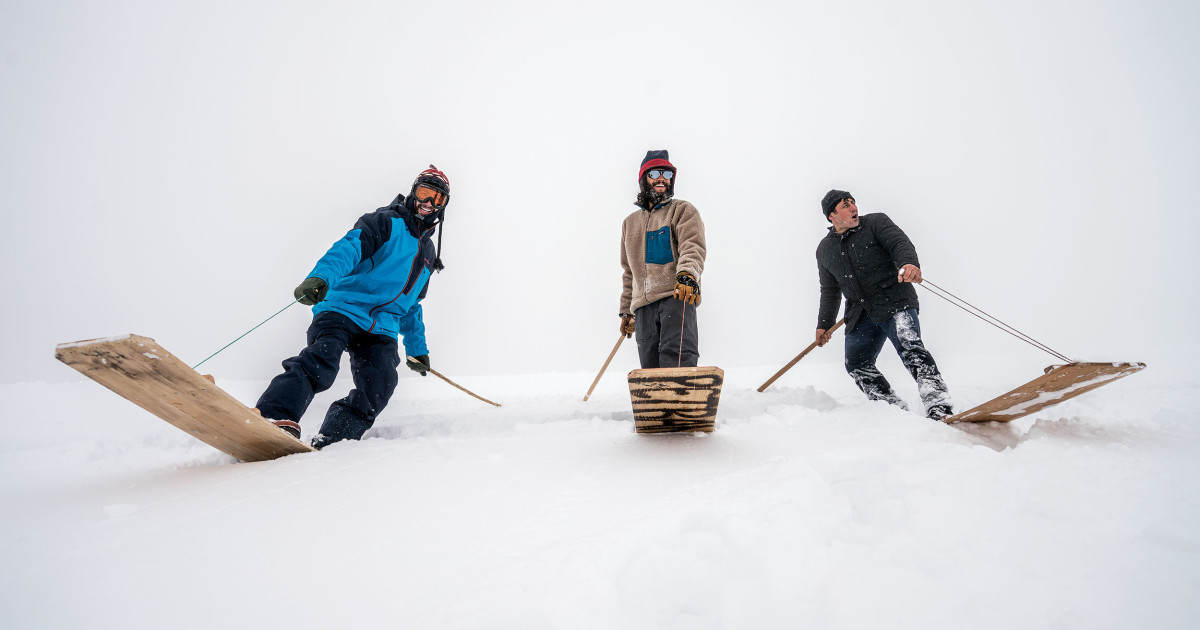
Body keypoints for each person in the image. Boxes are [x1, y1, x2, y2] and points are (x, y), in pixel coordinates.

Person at [255, 165, 451, 448]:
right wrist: (320, 277)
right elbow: (348, 249)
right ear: (413, 193)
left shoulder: (428, 255)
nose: (429, 203)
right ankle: (274, 417)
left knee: (380, 383)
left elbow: (411, 306)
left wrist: (417, 350)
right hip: (343, 309)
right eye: (424, 193)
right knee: (321, 360)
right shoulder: (385, 222)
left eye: (437, 198)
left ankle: (334, 440)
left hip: (381, 328)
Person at [814, 189, 953, 420]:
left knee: (911, 348)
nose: (853, 207)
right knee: (857, 365)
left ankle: (939, 405)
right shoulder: (825, 250)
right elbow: (829, 291)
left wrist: (909, 263)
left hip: (894, 301)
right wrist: (824, 324)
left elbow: (900, 243)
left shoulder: (876, 222)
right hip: (860, 313)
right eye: (845, 205)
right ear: (832, 215)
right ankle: (891, 410)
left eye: (853, 203)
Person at [619, 150, 707, 368]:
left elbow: (692, 246)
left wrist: (687, 274)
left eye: (667, 175)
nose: (662, 179)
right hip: (643, 307)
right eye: (656, 173)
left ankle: (681, 402)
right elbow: (629, 271)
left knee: (677, 361)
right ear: (643, 179)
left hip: (676, 296)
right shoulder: (630, 224)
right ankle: (656, 403)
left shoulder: (682, 211)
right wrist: (627, 311)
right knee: (650, 370)